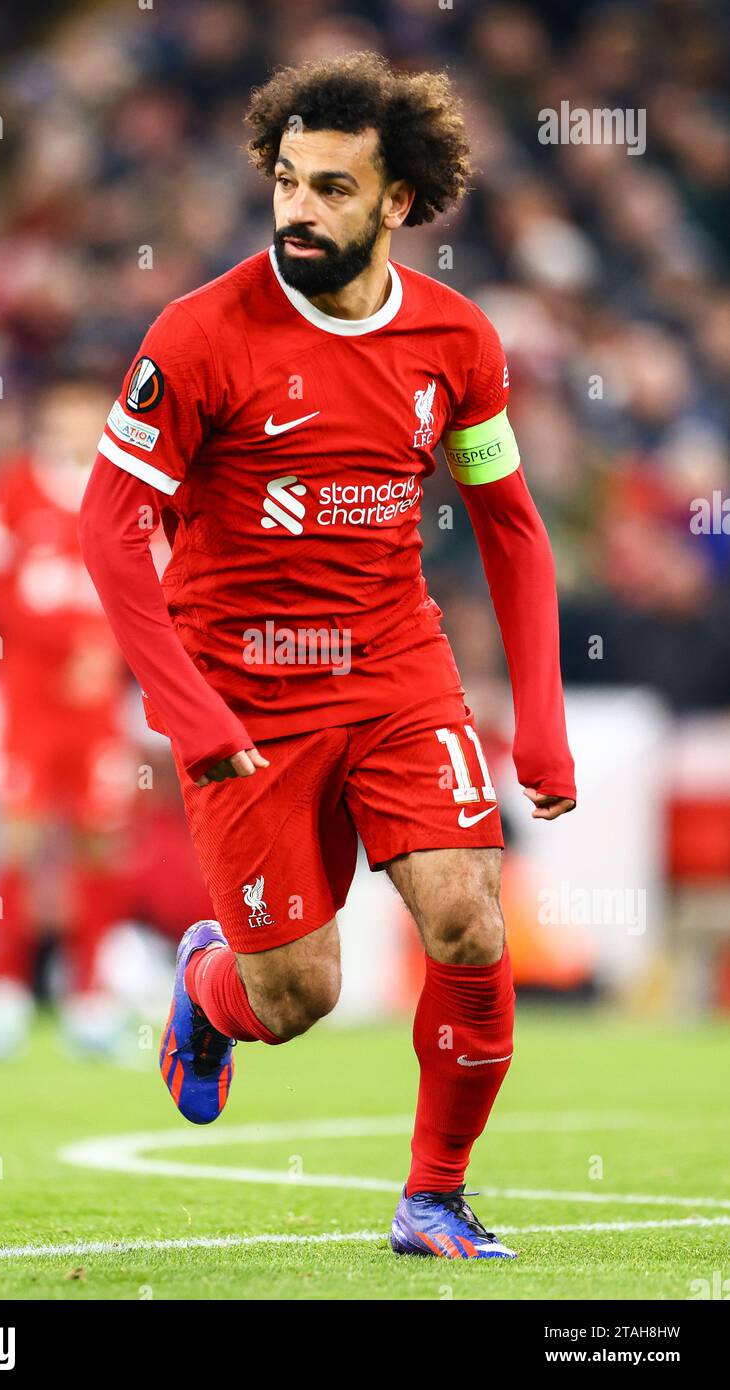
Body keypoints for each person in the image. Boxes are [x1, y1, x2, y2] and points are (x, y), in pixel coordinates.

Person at [79, 52, 576, 1260]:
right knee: (297, 996)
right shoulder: (198, 336)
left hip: (395, 666)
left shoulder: (456, 342)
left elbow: (508, 525)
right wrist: (183, 705)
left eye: (332, 189)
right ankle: (206, 994)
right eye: (287, 183)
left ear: (397, 200)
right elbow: (105, 526)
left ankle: (432, 1197)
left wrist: (541, 718)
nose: (299, 209)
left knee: (465, 919)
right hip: (243, 694)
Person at [0, 378, 131, 1058]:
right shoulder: (9, 488)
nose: (76, 420)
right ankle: (1, 993)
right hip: (26, 701)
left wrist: (110, 651)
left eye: (89, 409)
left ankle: (89, 998)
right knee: (19, 839)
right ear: (47, 415)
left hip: (95, 709)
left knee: (100, 842)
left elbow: (156, 586)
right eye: (65, 407)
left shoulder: (127, 492)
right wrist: (66, 643)